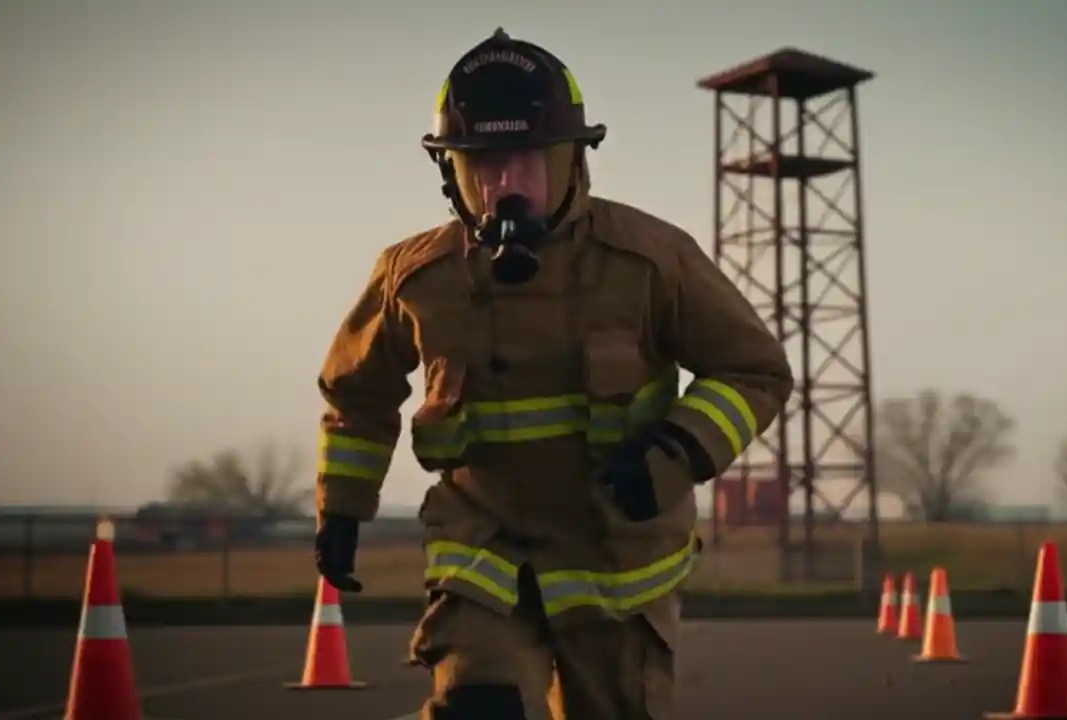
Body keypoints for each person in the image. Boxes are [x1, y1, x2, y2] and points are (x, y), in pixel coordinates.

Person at [311, 27, 793, 720]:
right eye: (484, 165)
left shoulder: (651, 260)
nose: (506, 184)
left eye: (528, 160)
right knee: (477, 706)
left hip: (617, 562)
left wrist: (678, 449)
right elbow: (356, 394)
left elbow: (755, 369)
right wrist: (341, 509)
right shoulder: (414, 278)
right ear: (451, 172)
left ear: (571, 162)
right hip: (485, 554)